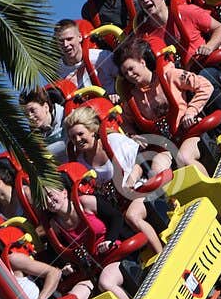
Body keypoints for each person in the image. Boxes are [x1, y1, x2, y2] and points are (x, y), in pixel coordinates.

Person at [62, 106, 166, 254]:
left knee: (132, 216)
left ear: (92, 130)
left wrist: (130, 180)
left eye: (80, 134)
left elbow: (140, 162)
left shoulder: (112, 141)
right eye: (73, 137)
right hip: (115, 206)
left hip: (137, 190)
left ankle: (161, 255)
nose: (77, 140)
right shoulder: (80, 163)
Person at [115, 38, 216, 171]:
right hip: (166, 145)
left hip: (189, 133)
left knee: (184, 158)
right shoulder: (133, 97)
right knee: (156, 169)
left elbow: (205, 86)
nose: (130, 75)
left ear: (142, 62)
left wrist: (191, 111)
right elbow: (124, 121)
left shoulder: (169, 75)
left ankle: (214, 189)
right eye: (125, 73)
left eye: (131, 68)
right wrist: (133, 136)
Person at [132, 0, 221, 100]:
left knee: (206, 77)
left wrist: (209, 46)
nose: (146, 1)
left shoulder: (185, 12)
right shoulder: (144, 34)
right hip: (177, 82)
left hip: (205, 68)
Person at [55, 19, 117, 94]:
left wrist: (117, 94)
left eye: (69, 39)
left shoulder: (101, 56)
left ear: (80, 37)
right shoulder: (57, 69)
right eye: (61, 41)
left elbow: (125, 78)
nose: (65, 44)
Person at [20, 85, 68, 160]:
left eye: (32, 111)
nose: (30, 117)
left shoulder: (68, 116)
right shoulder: (34, 142)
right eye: (26, 114)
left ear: (46, 107)